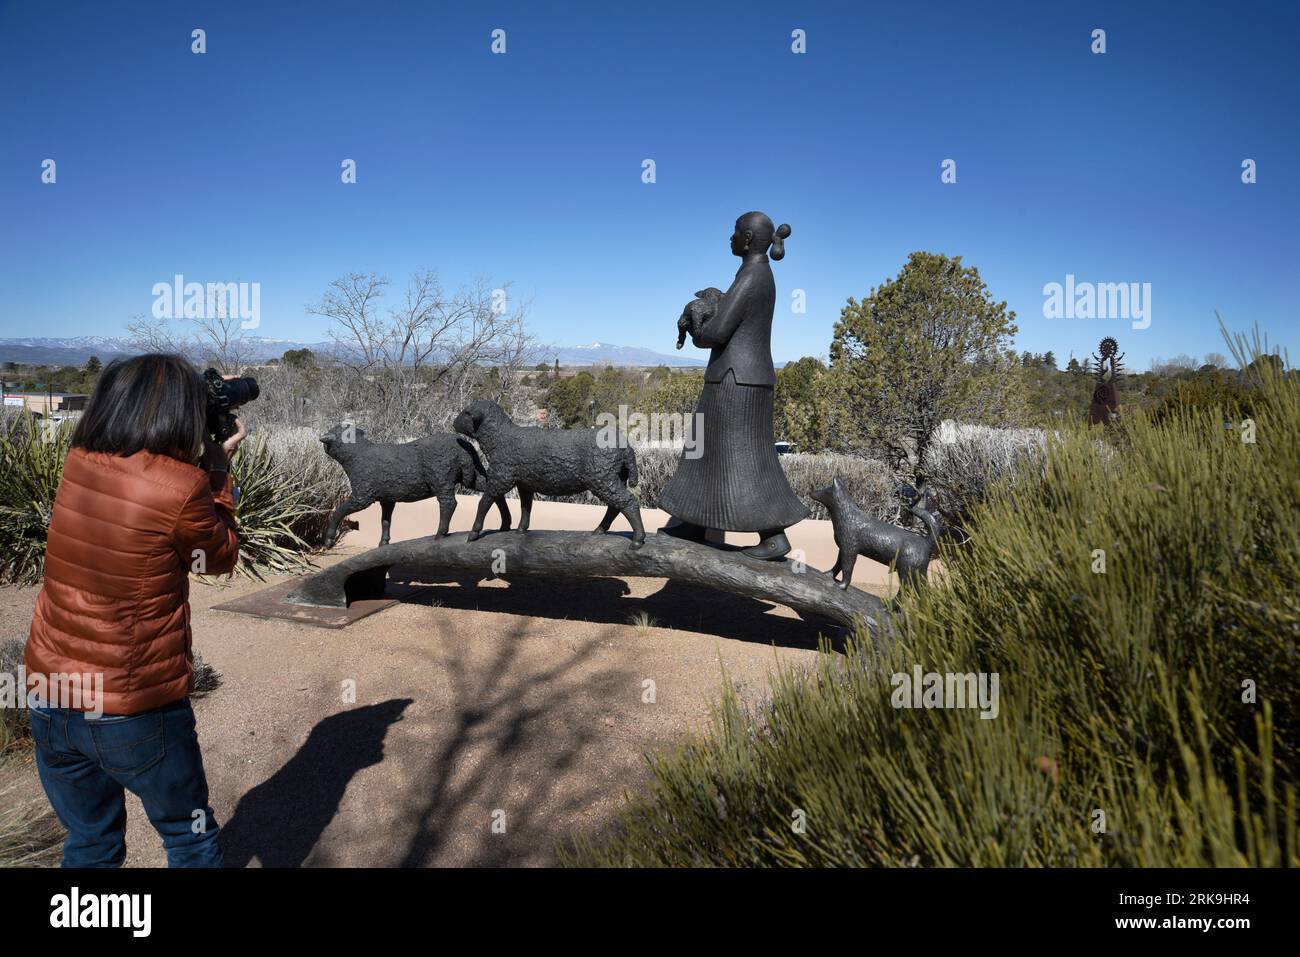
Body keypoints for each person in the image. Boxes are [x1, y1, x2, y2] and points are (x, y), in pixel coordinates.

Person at [23, 354, 245, 867]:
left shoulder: (79, 458)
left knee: (90, 844)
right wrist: (217, 467)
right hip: (132, 709)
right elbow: (219, 557)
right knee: (189, 837)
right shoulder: (183, 485)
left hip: (51, 698)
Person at [658, 211, 810, 559]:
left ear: (745, 239)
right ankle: (695, 520)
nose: (729, 238)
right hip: (734, 377)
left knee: (745, 456)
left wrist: (695, 328)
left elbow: (717, 332)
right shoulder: (752, 273)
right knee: (703, 447)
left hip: (737, 382)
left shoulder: (754, 275)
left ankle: (774, 537)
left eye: (734, 233)